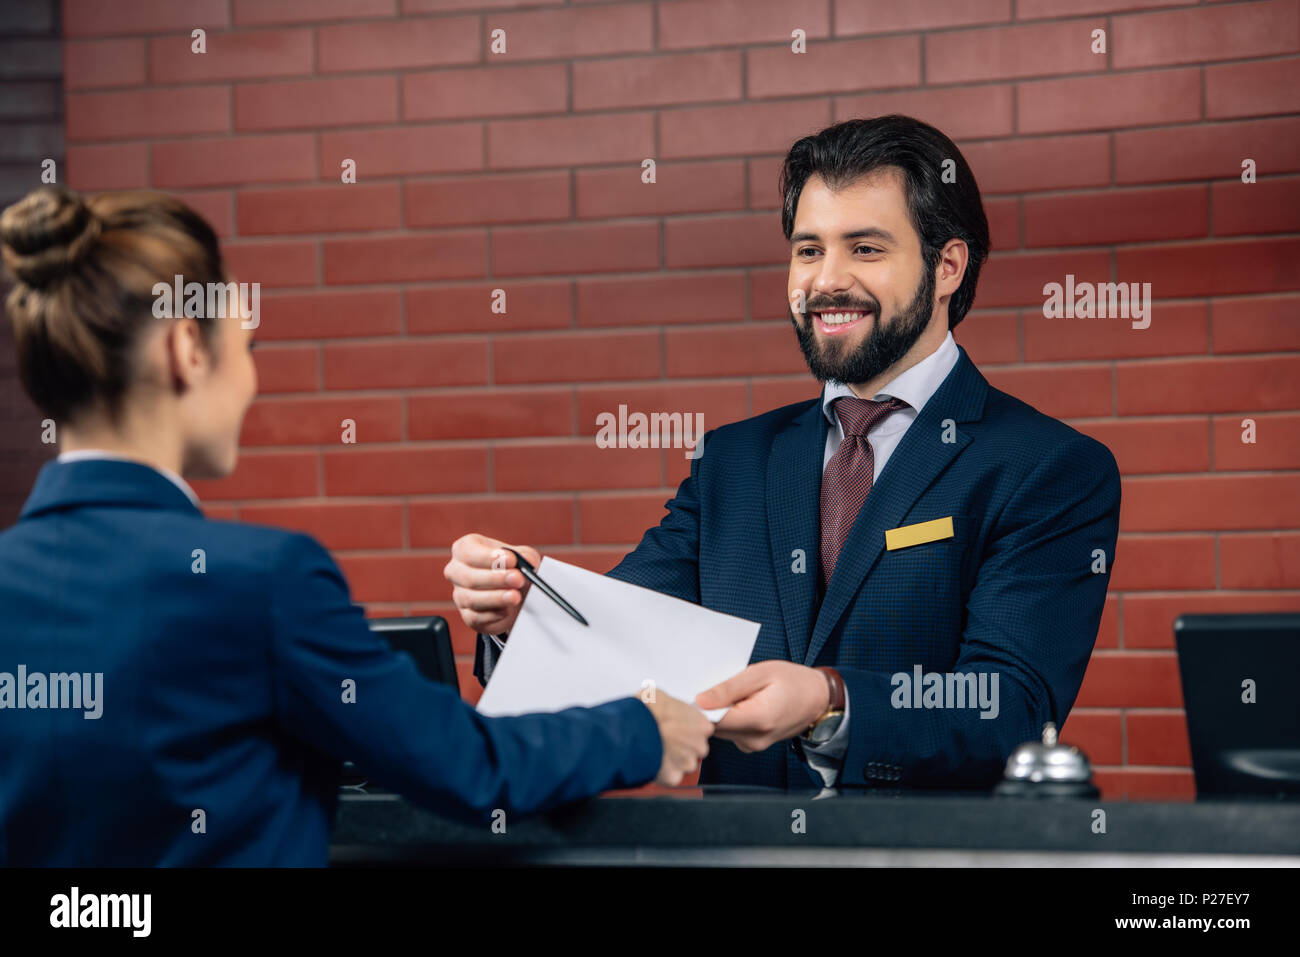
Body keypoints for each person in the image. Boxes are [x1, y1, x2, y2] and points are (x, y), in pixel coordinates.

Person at [0, 186, 713, 866]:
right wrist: (640, 727)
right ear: (188, 348)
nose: (249, 381)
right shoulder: (260, 582)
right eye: (247, 345)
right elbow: (468, 765)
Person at [447, 115, 1122, 791]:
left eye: (864, 249)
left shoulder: (1049, 469)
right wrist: (524, 611)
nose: (825, 281)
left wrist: (830, 701)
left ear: (947, 266)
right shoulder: (731, 463)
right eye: (807, 250)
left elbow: (1009, 709)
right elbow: (626, 639)